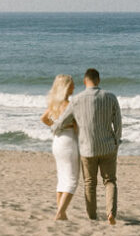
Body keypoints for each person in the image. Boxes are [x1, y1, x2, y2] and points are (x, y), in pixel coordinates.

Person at [51, 68, 122, 222]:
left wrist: (54, 128)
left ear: (85, 81)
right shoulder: (110, 97)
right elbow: (118, 123)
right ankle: (111, 213)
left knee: (90, 183)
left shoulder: (77, 100)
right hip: (108, 147)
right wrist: (117, 142)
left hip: (87, 148)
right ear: (99, 80)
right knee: (110, 181)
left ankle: (92, 216)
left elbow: (63, 120)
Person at [40, 74, 79, 221]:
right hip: (69, 141)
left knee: (62, 178)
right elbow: (77, 125)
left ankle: (61, 212)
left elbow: (43, 118)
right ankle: (60, 212)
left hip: (57, 141)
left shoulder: (54, 104)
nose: (74, 87)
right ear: (66, 87)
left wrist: (55, 127)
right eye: (72, 85)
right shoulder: (70, 105)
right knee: (72, 180)